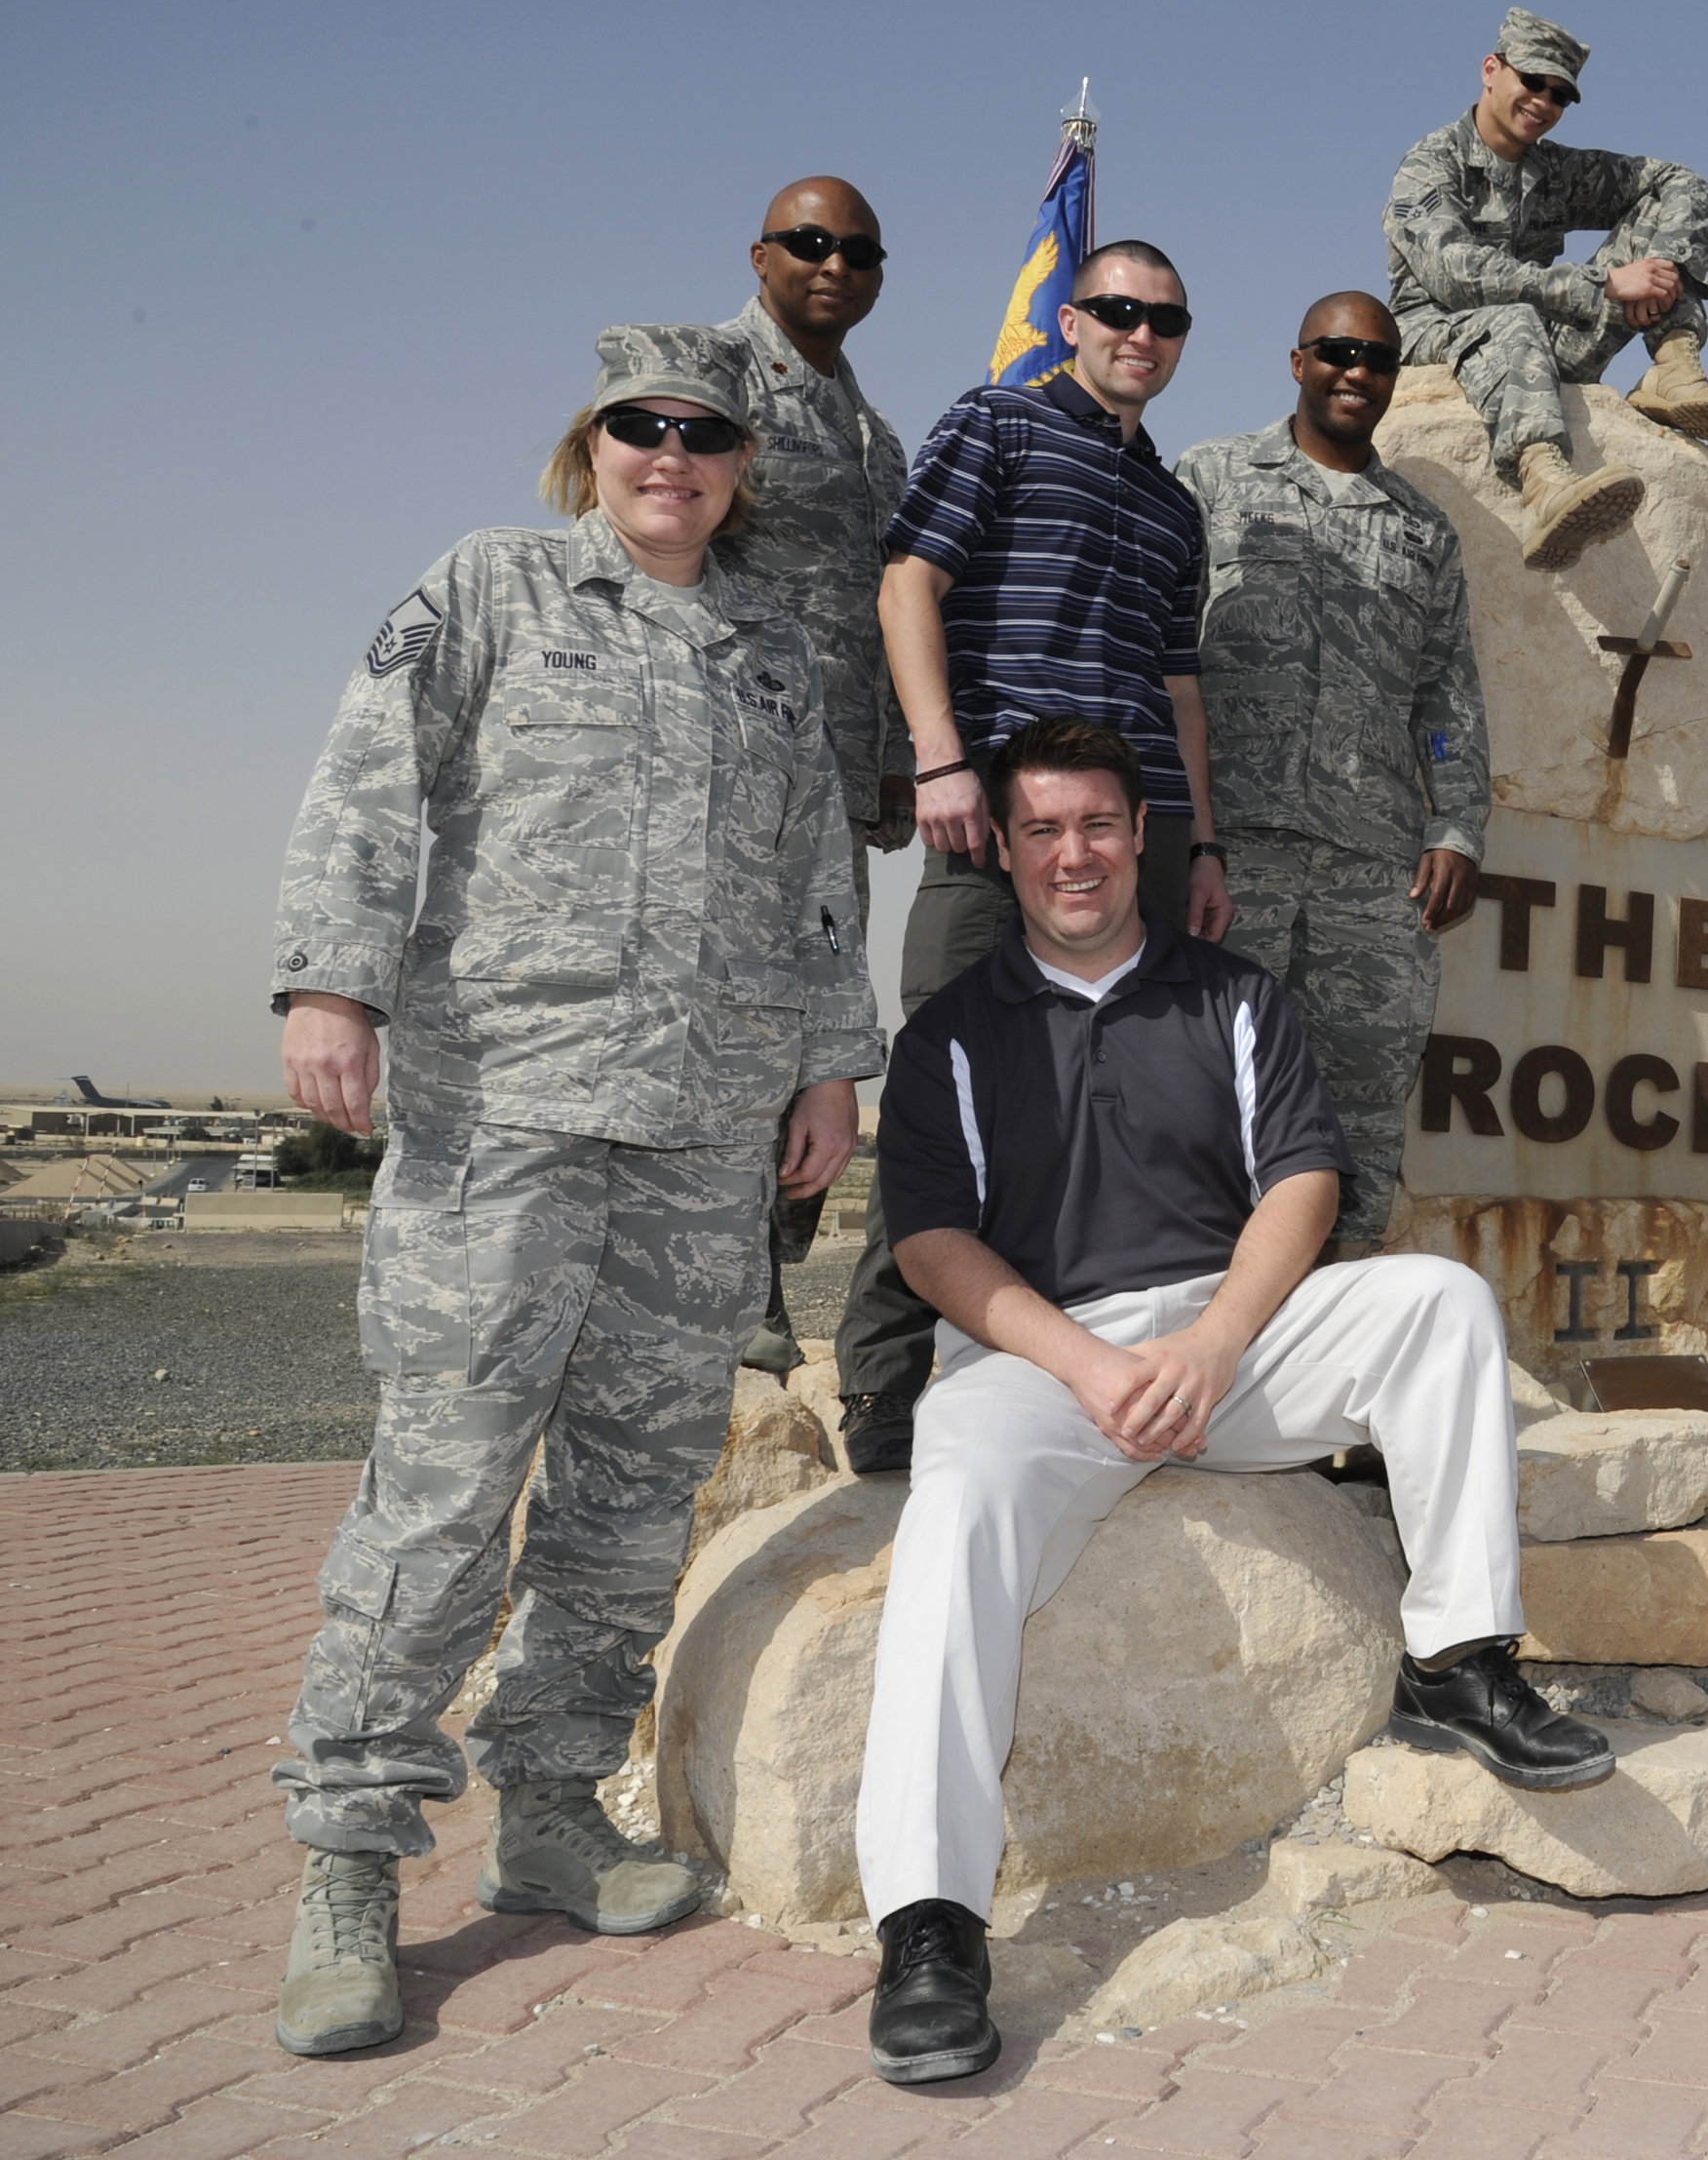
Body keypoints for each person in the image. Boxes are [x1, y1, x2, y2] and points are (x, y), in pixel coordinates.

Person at [264, 325, 881, 2058]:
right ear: (592, 441)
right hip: (508, 1109)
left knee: (633, 1490)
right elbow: (369, 772)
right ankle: (348, 1855)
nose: (671, 455)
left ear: (742, 465)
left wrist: (831, 1060)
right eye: (640, 427)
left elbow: (818, 876)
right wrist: (332, 981)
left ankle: (548, 1807)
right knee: (446, 1486)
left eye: (705, 433)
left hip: (702, 1127)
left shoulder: (774, 646)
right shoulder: (495, 587)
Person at [850, 717, 1611, 2086]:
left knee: (1438, 1303)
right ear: (1004, 849)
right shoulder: (951, 1033)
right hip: (1039, 1364)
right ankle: (929, 1923)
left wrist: (1211, 1346)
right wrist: (1090, 1370)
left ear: (1140, 834)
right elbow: (933, 1246)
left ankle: (1457, 1661)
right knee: (952, 1512)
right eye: (1043, 831)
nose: (1073, 855)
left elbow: (1304, 1183)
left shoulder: (1235, 997)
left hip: (1231, 1337)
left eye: (1098, 824)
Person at [835, 240, 1234, 1473]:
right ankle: (884, 1382)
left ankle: (1070, 1358)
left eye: (1165, 321)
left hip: (1141, 836)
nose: (1140, 335)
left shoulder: (1173, 504)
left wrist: (1201, 841)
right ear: (1071, 321)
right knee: (949, 1088)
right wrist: (941, 758)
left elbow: (1179, 687)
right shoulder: (996, 425)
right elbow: (909, 586)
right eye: (1116, 310)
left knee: (1118, 1099)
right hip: (998, 818)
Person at [1176, 291, 1488, 1254]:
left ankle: (1336, 1313)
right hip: (1229, 855)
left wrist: (1456, 824)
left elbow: (1445, 699)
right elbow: (1159, 654)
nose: (1358, 373)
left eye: (1378, 360)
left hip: (1371, 870)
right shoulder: (1210, 479)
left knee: (1358, 1115)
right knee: (1200, 1095)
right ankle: (1199, 1318)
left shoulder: (1424, 532)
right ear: (1298, 361)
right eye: (1339, 353)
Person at [718, 176, 912, 1377]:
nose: (834, 264)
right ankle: (737, 1292)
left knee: (818, 1027)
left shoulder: (873, 433)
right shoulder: (714, 382)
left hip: (834, 783)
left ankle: (768, 1262)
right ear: (761, 256)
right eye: (809, 242)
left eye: (858, 251)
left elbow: (885, 606)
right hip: (732, 762)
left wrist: (891, 761)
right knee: (739, 1015)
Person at [1383, 9, 1708, 571]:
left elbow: (1677, 182)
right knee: (1516, 315)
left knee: (1666, 212)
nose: (1544, 102)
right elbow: (1454, 273)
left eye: (1560, 95)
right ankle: (1544, 483)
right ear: (1491, 70)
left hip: (1534, 346)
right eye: (1532, 81)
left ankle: (1672, 364)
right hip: (1436, 334)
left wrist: (1659, 269)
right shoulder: (1431, 163)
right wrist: (1602, 283)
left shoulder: (1552, 169)